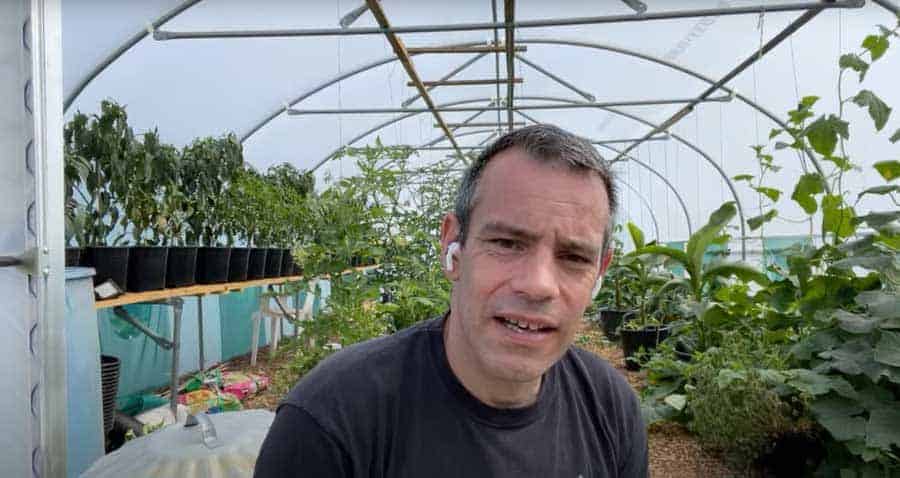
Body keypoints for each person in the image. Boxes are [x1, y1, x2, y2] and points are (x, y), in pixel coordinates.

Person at [254, 124, 649, 477]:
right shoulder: (333, 420)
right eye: (507, 243)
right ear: (453, 246)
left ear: (600, 271)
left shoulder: (611, 408)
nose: (539, 285)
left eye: (574, 258)